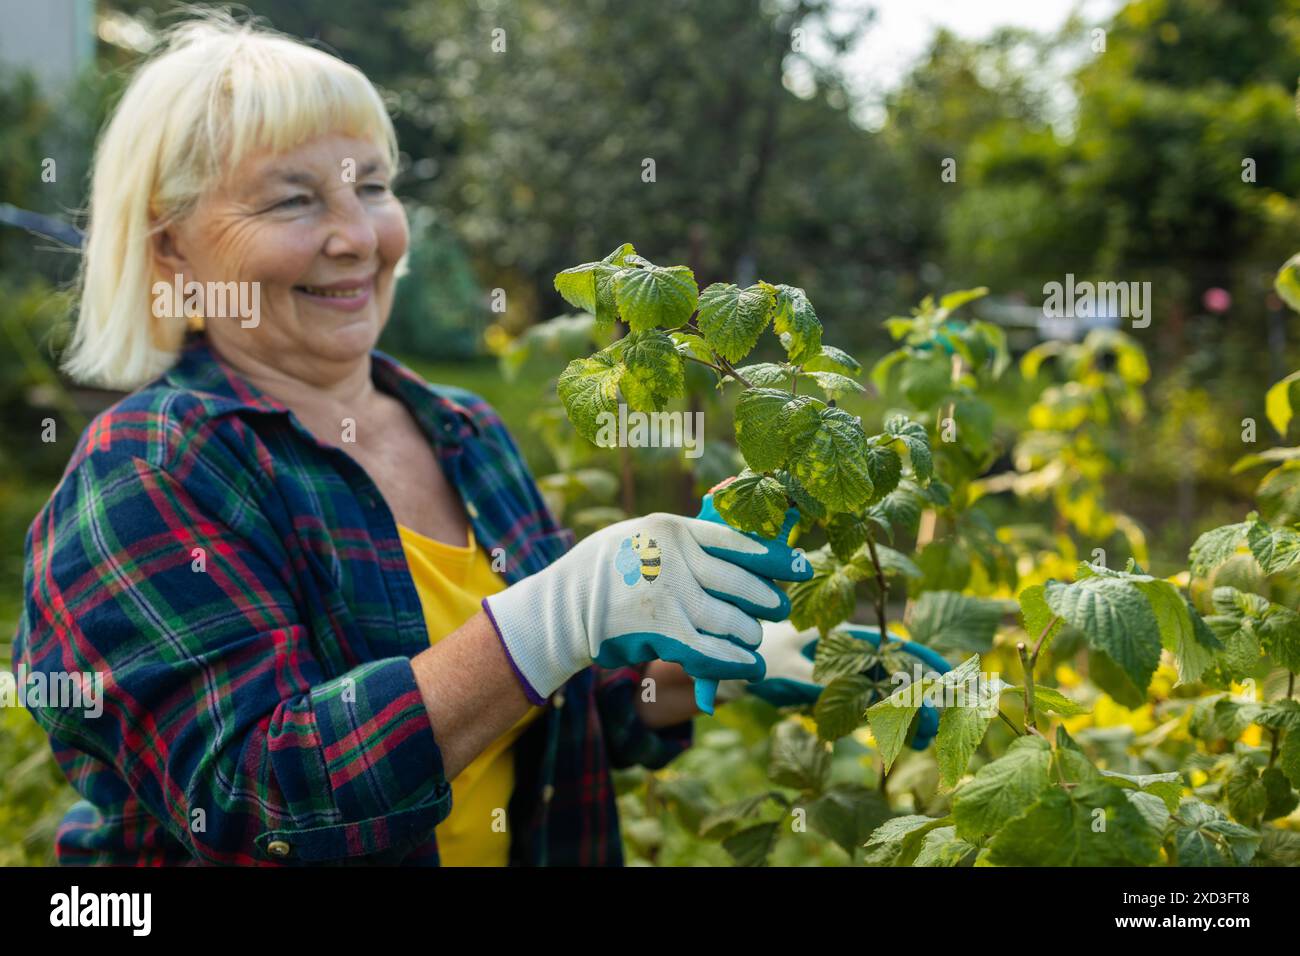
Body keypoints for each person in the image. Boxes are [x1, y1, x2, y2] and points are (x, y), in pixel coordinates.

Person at [12, 14, 809, 867]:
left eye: (375, 187)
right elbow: (262, 805)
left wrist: (745, 656)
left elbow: (570, 711)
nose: (359, 236)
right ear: (171, 248)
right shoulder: (151, 469)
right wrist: (553, 614)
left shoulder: (461, 430)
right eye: (293, 199)